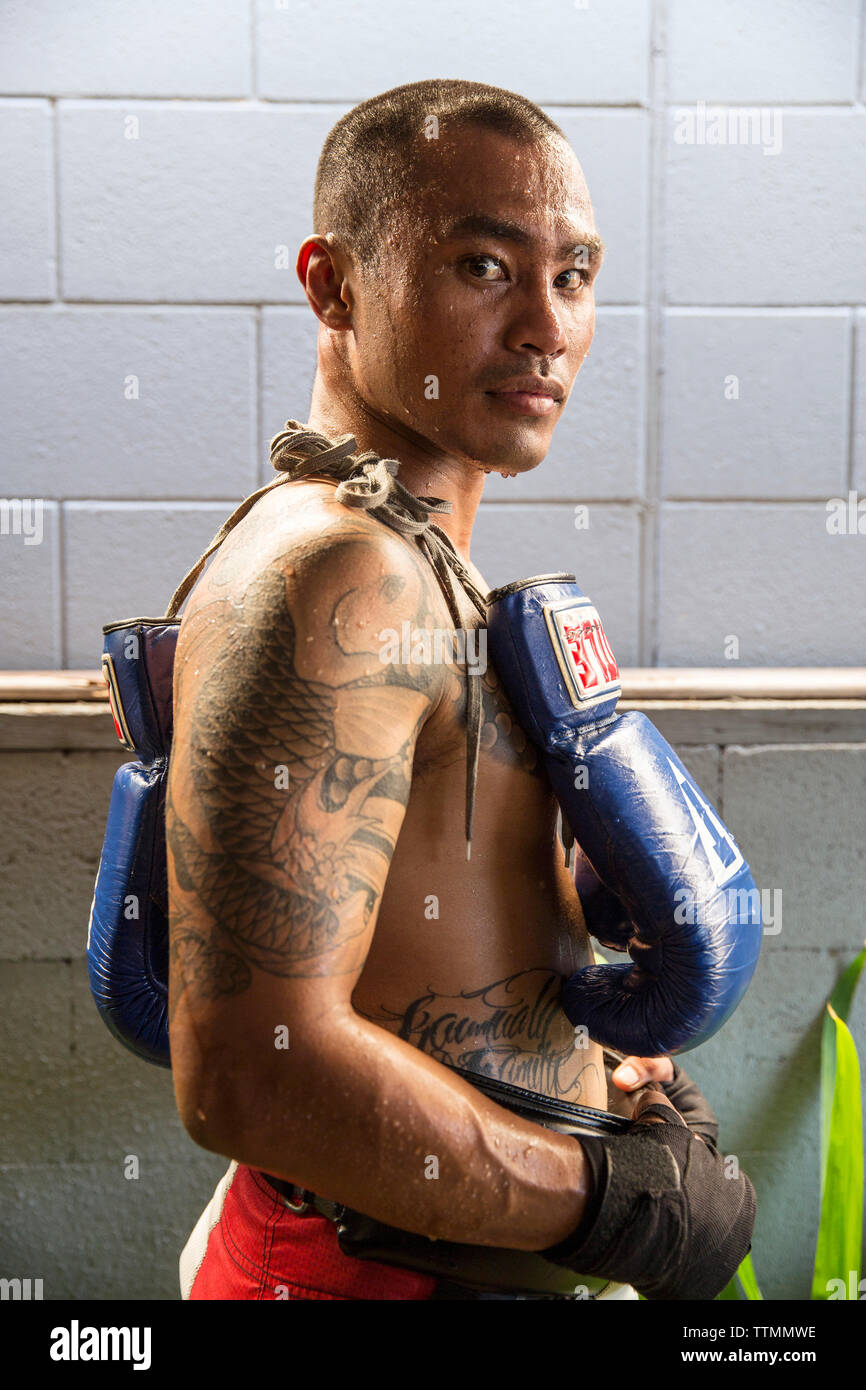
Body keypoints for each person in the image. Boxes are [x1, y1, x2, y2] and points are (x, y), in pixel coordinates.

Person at [167, 78, 754, 1301]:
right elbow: (247, 1070)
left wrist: (592, 1078)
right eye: (484, 265)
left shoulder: (422, 563)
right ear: (332, 284)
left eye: (575, 272)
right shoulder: (342, 577)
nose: (546, 323)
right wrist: (603, 1203)